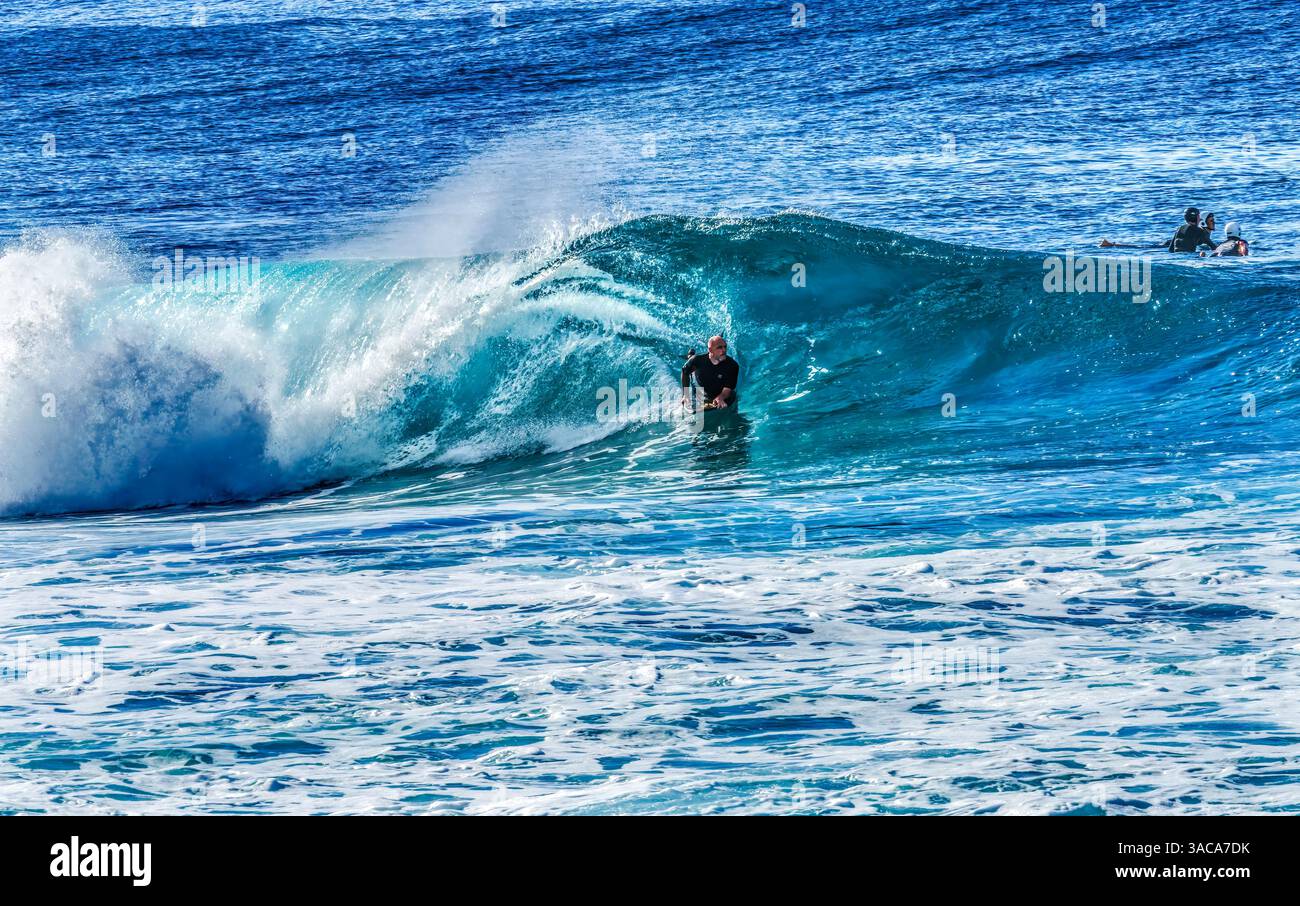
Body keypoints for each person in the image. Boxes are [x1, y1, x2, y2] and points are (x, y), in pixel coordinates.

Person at [1098, 207, 1215, 251]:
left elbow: (1171, 249)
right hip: (1171, 246)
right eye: (1211, 220)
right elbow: (1211, 246)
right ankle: (1112, 244)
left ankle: (1112, 244)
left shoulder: (1181, 228)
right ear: (1200, 219)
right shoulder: (1200, 232)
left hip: (1172, 246)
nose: (1214, 222)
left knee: (1143, 247)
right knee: (1144, 247)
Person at [681, 335, 738, 409]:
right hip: (699, 384)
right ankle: (690, 354)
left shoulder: (732, 365)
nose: (724, 350)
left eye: (725, 346)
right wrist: (685, 394)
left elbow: (728, 389)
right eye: (719, 347)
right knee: (690, 361)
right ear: (710, 350)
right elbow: (685, 373)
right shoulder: (697, 360)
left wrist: (720, 397)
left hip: (718, 391)